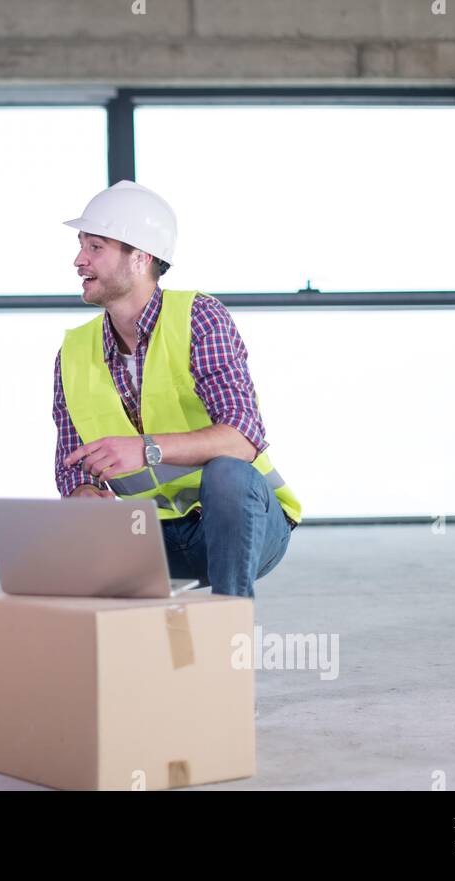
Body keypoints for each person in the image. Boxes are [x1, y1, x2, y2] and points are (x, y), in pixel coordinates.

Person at [52, 181, 301, 597]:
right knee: (52, 548)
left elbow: (243, 438)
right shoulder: (74, 352)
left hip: (244, 529)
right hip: (149, 536)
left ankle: (229, 627)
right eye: (81, 245)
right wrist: (83, 493)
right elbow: (72, 464)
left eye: (95, 247)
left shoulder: (199, 318)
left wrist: (146, 448)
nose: (79, 260)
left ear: (140, 257)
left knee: (228, 474)